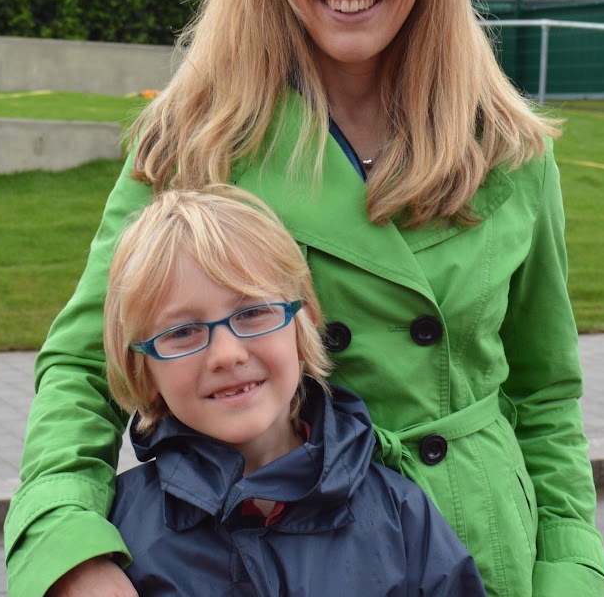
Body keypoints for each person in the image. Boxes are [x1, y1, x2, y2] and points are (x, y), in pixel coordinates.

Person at [5, 0, 604, 597]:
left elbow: (545, 397)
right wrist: (69, 548)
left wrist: (571, 572)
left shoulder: (508, 150)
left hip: (485, 554)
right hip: (271, 557)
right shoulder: (199, 138)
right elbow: (86, 365)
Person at [101, 185, 486, 596]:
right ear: (142, 366)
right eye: (182, 332)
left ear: (303, 325)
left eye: (252, 313)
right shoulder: (117, 534)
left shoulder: (400, 517)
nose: (226, 355)